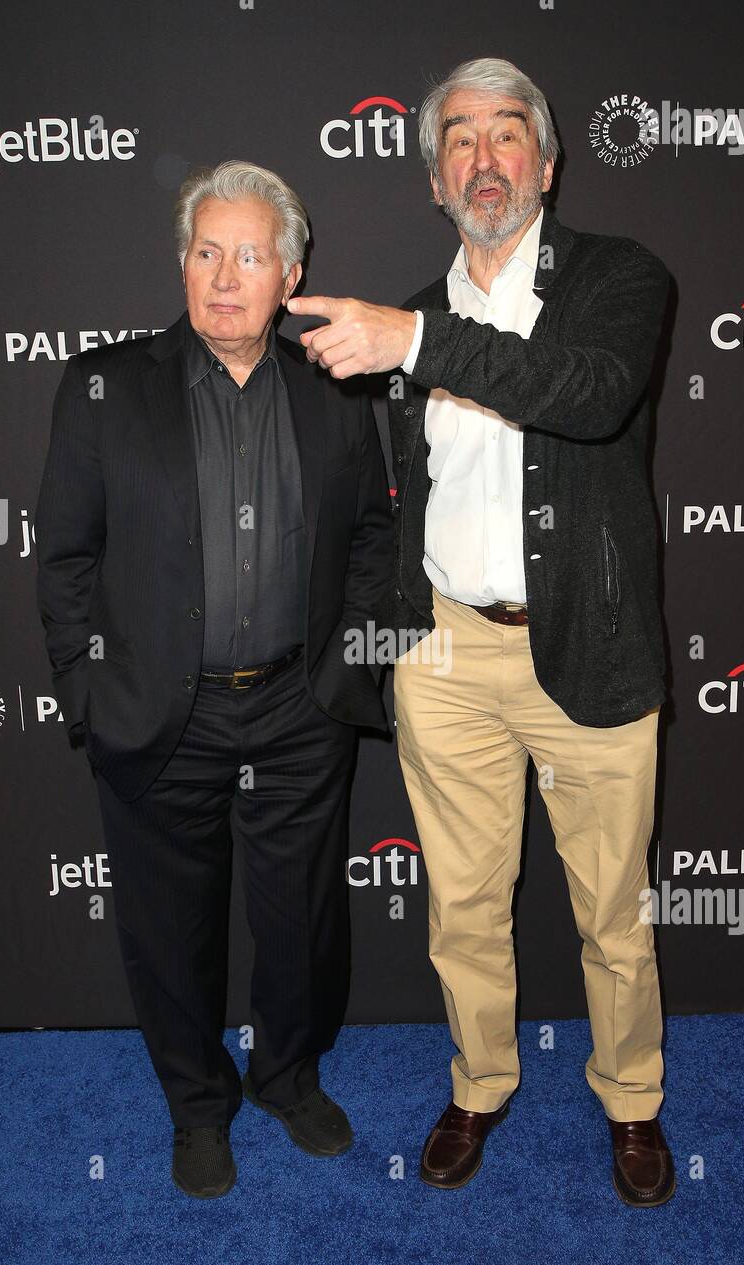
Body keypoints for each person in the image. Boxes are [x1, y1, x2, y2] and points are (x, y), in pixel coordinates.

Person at [287, 59, 675, 1205]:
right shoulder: (409, 318)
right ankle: (480, 1081)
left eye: (509, 134)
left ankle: (632, 1099)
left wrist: (416, 340)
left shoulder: (618, 279)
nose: (485, 155)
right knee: (461, 904)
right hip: (448, 653)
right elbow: (386, 498)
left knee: (611, 908)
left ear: (546, 166)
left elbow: (582, 390)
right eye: (459, 139)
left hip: (588, 647)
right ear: (433, 178)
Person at [35, 160, 393, 1198]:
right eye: (206, 251)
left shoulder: (336, 392)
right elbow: (62, 559)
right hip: (157, 712)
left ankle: (287, 1074)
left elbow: (373, 536)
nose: (224, 276)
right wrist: (88, 691)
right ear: (181, 265)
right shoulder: (103, 388)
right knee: (168, 928)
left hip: (297, 706)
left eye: (249, 255)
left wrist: (345, 667)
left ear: (290, 275)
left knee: (300, 919)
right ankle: (198, 1104)